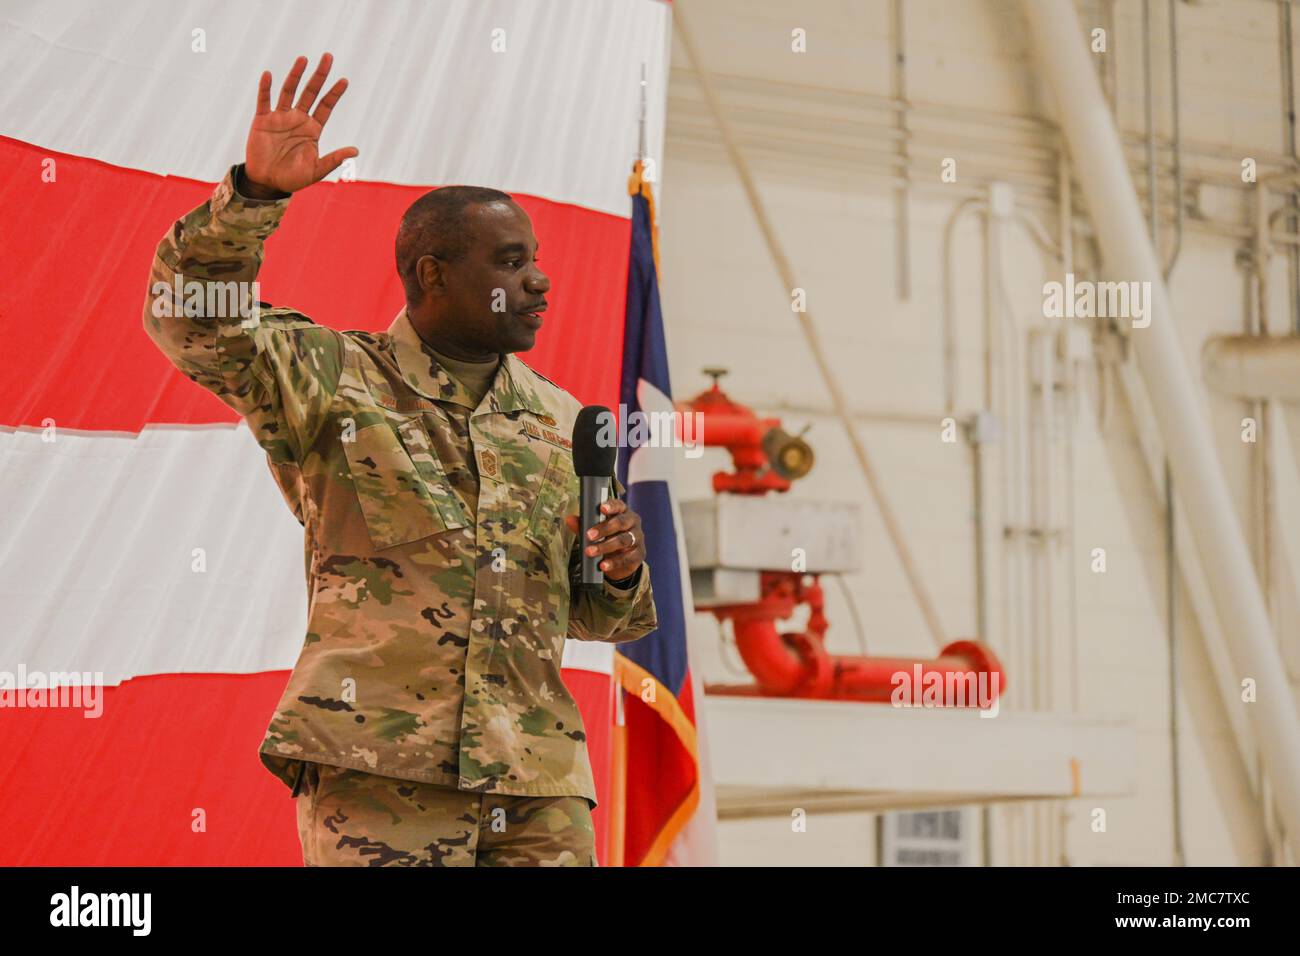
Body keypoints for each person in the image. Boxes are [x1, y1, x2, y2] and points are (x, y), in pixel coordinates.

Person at [142, 53, 658, 866]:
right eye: (510, 262)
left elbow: (600, 619)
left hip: (536, 785)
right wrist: (254, 198)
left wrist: (621, 572)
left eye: (535, 260)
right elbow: (189, 320)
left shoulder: (563, 422)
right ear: (432, 274)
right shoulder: (334, 378)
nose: (539, 282)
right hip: (380, 772)